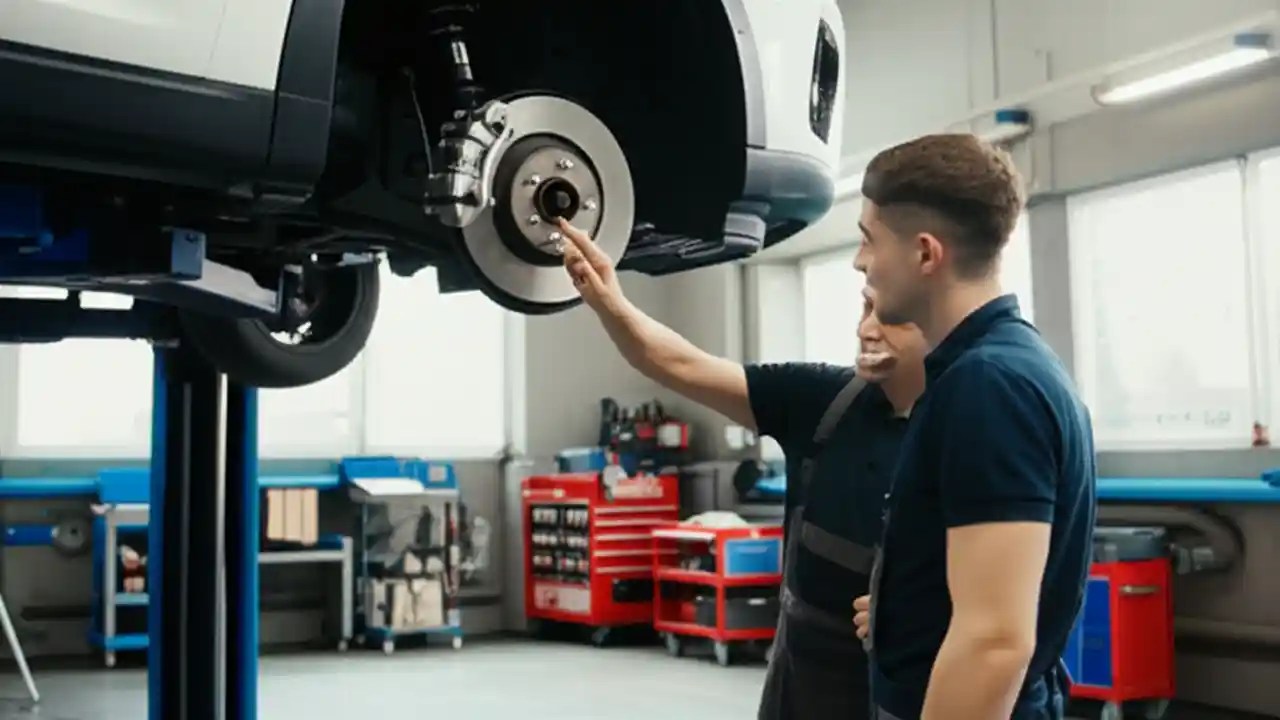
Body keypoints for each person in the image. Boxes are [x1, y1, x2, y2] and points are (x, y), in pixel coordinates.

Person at [555, 217, 926, 719]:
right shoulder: (820, 399)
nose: (867, 328)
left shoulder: (965, 428)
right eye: (864, 307)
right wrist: (608, 299)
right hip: (800, 686)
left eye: (890, 317)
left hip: (903, 691)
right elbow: (677, 363)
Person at [848, 134, 1097, 720]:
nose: (860, 262)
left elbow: (993, 643)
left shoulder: (989, 387)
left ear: (927, 254)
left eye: (868, 240)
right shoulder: (994, 370)